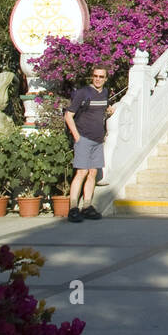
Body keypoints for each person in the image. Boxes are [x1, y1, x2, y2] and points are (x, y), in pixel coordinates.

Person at [64, 65, 118, 223]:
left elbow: (102, 110)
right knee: (81, 173)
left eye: (101, 77)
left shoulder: (105, 93)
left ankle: (87, 206)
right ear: (91, 77)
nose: (98, 79)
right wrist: (77, 137)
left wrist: (109, 111)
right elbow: (68, 116)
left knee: (92, 174)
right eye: (95, 76)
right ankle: (73, 208)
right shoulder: (83, 93)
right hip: (84, 138)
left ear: (105, 79)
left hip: (98, 140)